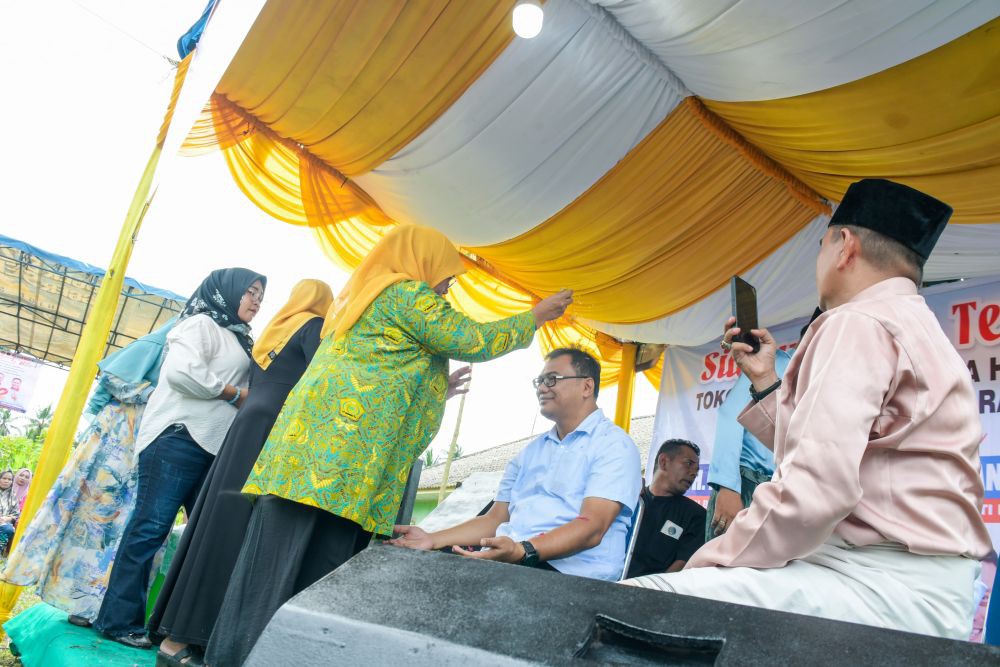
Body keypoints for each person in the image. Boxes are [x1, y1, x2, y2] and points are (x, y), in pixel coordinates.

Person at [625, 179, 993, 640]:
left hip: (875, 583)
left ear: (844, 247)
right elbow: (831, 449)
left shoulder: (856, 321)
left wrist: (708, 561)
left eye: (821, 245)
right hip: (923, 589)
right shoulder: (916, 326)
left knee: (642, 604)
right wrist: (764, 379)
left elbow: (816, 489)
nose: (818, 261)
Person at [204, 225, 572, 667]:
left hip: (314, 466)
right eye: (446, 273)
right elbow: (472, 339)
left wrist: (436, 385)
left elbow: (385, 365)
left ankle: (234, 657)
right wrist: (535, 315)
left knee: (271, 571)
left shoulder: (364, 298)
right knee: (318, 581)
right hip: (340, 468)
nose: (449, 284)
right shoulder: (405, 294)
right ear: (421, 260)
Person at [151, 279, 334, 667]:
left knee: (216, 521)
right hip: (272, 427)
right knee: (241, 529)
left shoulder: (273, 329)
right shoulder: (314, 325)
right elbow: (325, 377)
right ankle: (200, 633)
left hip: (245, 424)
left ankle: (175, 632)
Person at [95, 268, 266, 649]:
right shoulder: (199, 324)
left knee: (200, 538)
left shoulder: (242, 340)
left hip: (213, 447)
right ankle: (118, 621)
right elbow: (182, 374)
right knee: (149, 529)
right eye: (251, 292)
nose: (256, 301)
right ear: (228, 291)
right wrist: (236, 395)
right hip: (179, 436)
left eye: (261, 296)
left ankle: (171, 624)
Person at [391, 348, 642, 582]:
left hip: (570, 576)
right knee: (414, 569)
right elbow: (496, 519)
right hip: (515, 560)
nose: (542, 387)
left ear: (587, 386)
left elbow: (593, 526)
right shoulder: (530, 453)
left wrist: (524, 550)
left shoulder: (614, 446)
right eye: (540, 381)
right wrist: (432, 539)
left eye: (552, 379)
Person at [0, 321, 175, 626]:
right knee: (92, 518)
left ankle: (101, 607)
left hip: (150, 440)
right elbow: (115, 378)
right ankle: (77, 602)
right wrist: (162, 393)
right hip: (117, 441)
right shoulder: (160, 344)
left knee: (124, 527)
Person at [705, 349, 791, 541]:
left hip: (778, 488)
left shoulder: (818, 376)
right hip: (746, 484)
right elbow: (731, 414)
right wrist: (728, 488)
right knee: (725, 567)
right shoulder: (778, 361)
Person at [626, 439, 706, 579]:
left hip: (654, 593)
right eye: (689, 464)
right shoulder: (631, 499)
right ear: (663, 461)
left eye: (697, 470)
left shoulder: (696, 515)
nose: (694, 473)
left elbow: (683, 563)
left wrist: (653, 591)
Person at [0, 470, 18, 555]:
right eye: (4, 478)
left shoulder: (13, 495)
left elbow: (16, 513)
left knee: (8, 529)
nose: (6, 481)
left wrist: (6, 518)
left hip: (4, 522)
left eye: (9, 479)